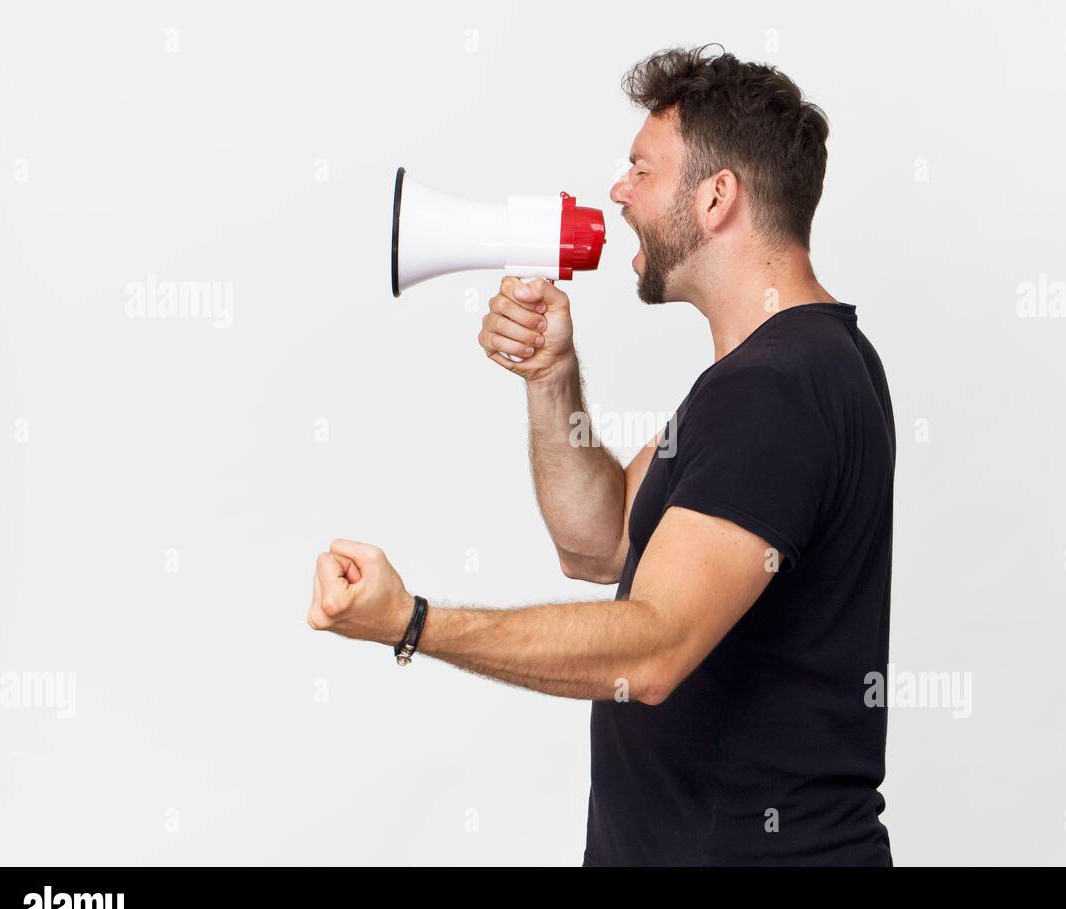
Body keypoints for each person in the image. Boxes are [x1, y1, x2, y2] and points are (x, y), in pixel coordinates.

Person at [308, 44, 896, 866]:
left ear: (717, 195)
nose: (618, 191)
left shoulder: (779, 388)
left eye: (641, 170)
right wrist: (552, 376)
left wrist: (412, 624)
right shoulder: (773, 372)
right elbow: (601, 541)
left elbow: (653, 650)